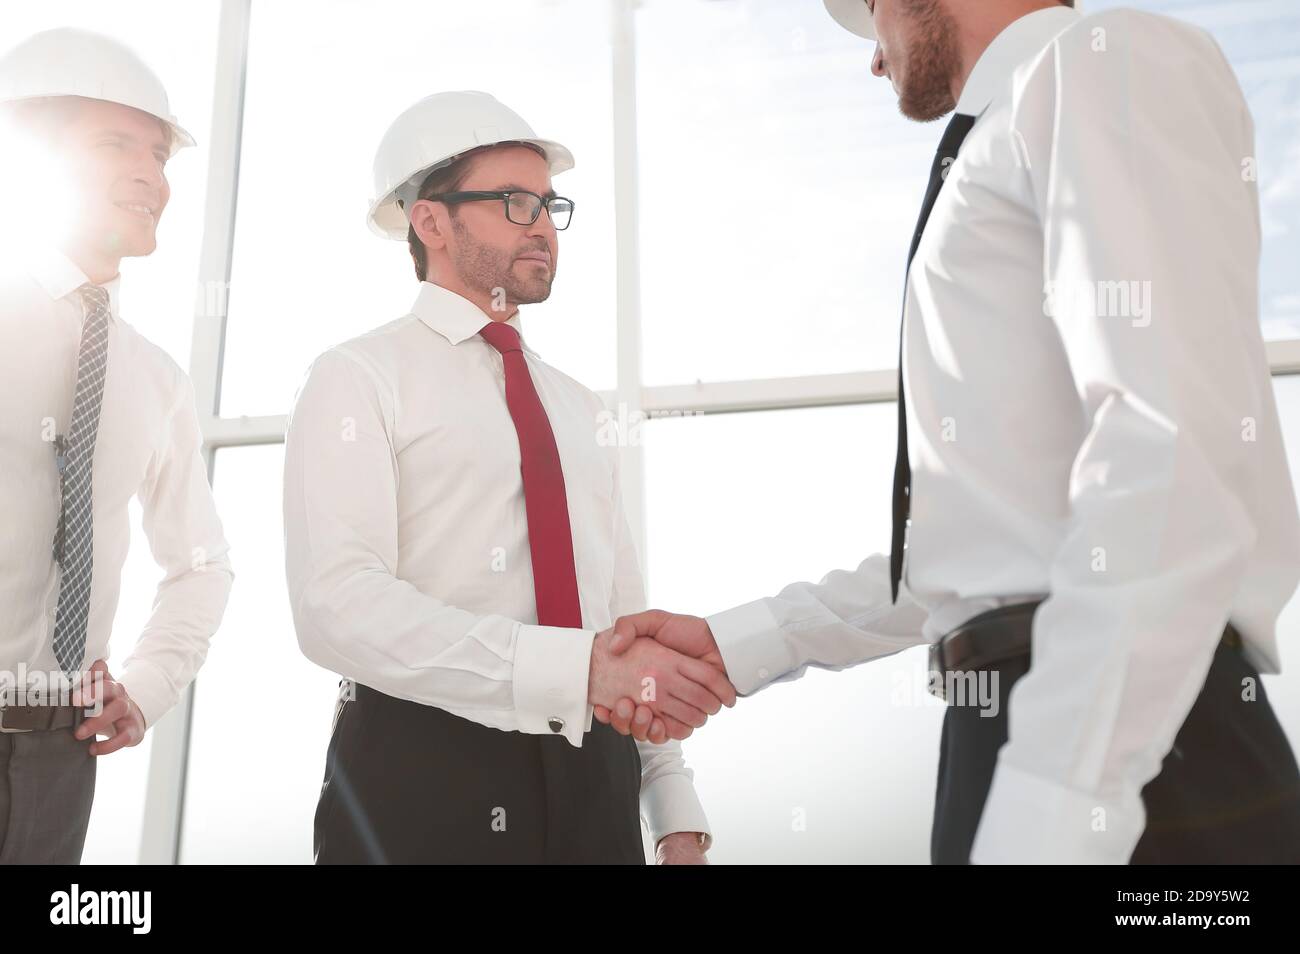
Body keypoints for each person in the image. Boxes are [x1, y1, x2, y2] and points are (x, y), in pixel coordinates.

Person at [598, 0, 1300, 864]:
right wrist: (744, 643)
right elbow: (981, 551)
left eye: (869, 13)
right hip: (1034, 725)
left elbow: (1173, 449)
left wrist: (1054, 807)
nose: (873, 59)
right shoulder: (1020, 120)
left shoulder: (1099, 61)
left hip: (1128, 746)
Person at [284, 91, 733, 864]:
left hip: (598, 767)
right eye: (514, 202)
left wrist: (671, 802)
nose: (541, 226)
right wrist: (572, 669)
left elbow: (620, 613)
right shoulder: (357, 377)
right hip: (421, 766)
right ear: (431, 222)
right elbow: (336, 606)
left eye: (550, 205)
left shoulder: (579, 406)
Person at [0, 28, 233, 864]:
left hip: (60, 760)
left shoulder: (156, 378)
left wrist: (149, 686)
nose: (153, 176)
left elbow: (201, 562)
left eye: (160, 154)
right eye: (115, 145)